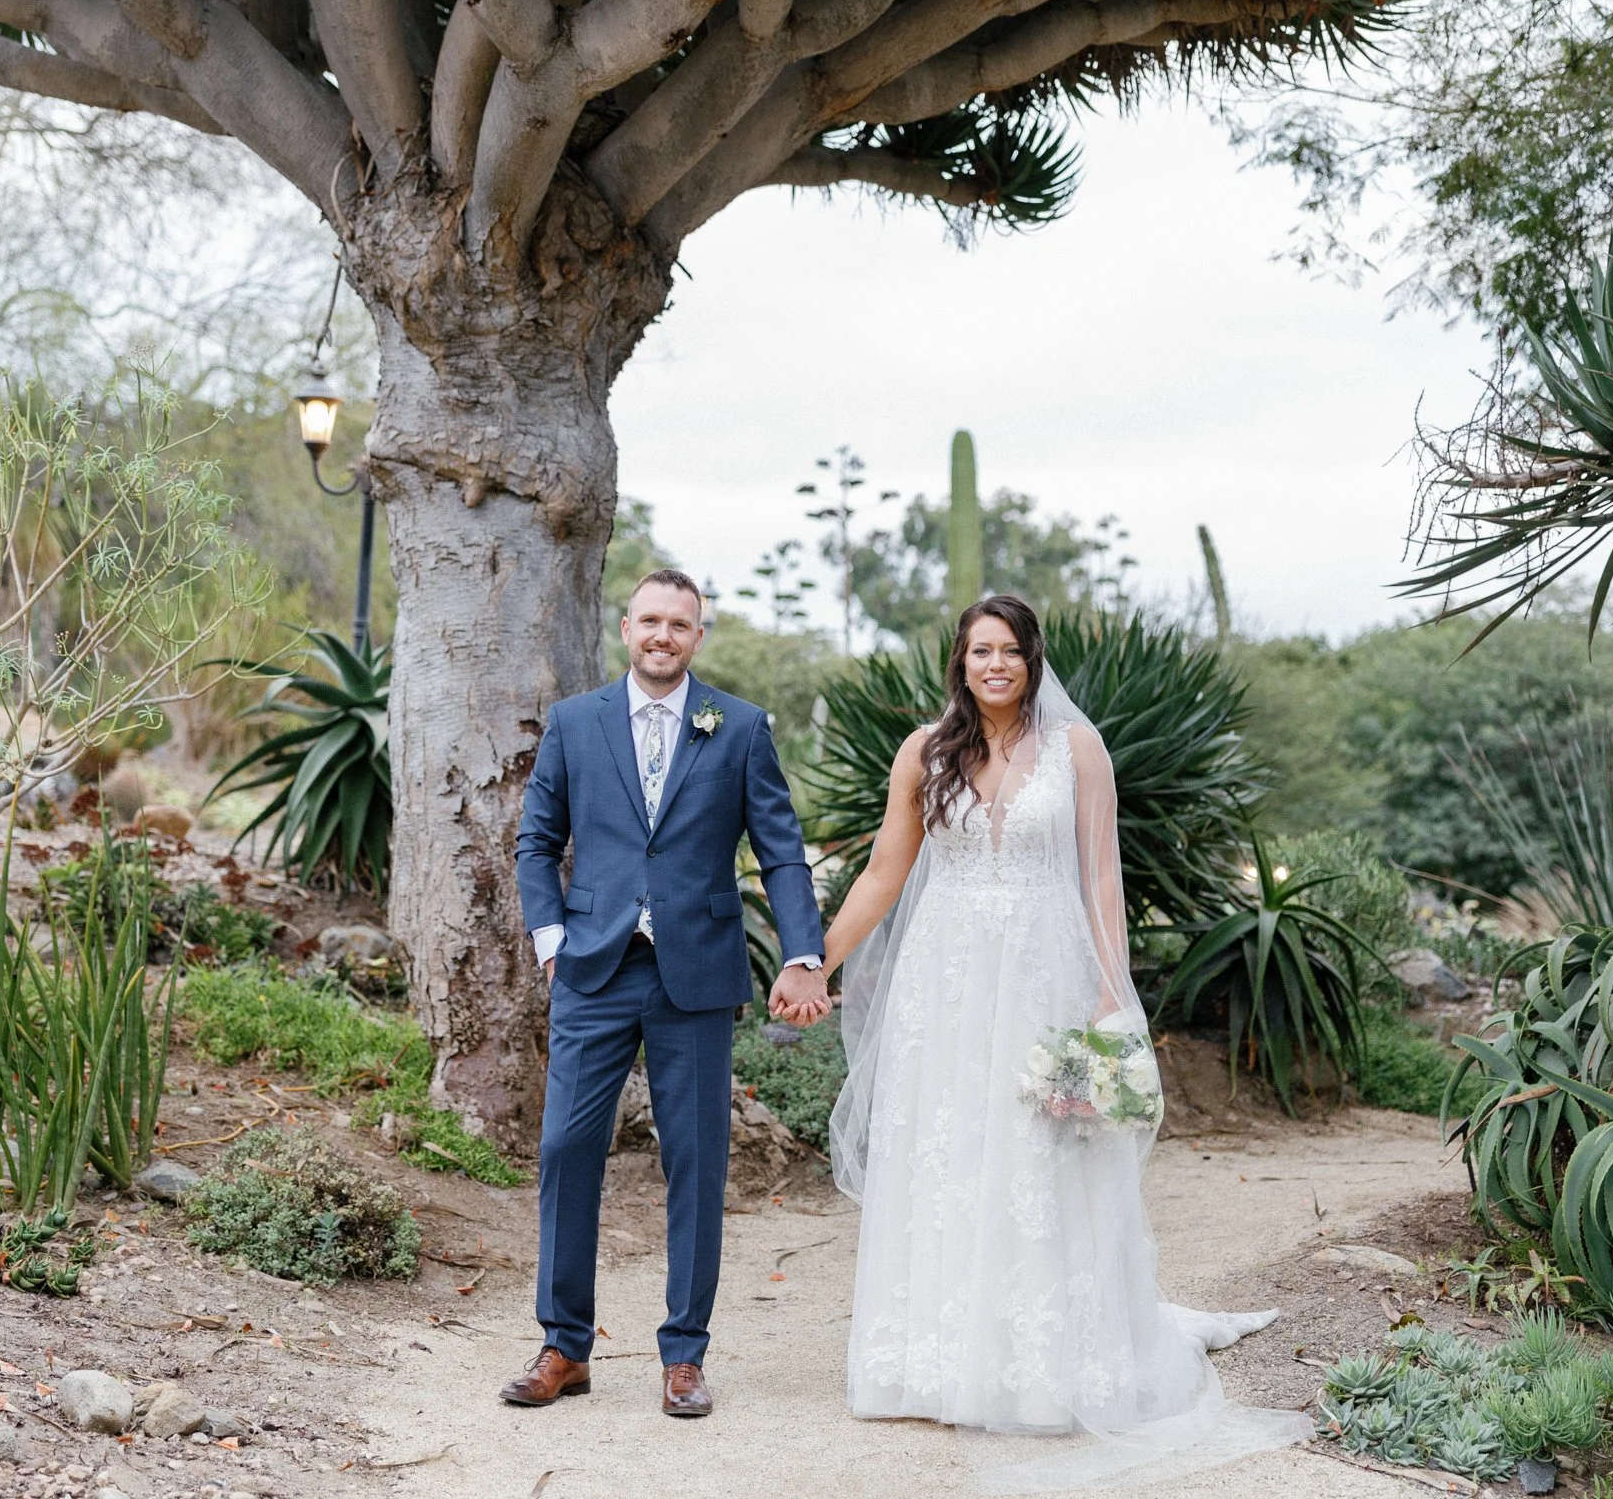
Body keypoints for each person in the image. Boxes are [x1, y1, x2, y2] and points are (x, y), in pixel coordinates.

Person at [818, 594, 1312, 1491]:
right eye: (979, 651)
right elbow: (886, 869)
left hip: (1046, 984)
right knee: (947, 1159)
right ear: (959, 664)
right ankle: (931, 1363)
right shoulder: (923, 753)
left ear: (1032, 659)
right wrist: (816, 961)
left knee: (1039, 1164)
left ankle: (1042, 1372)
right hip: (950, 990)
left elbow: (1101, 888)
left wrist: (1109, 1005)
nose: (995, 665)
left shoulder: (1079, 751)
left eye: (1009, 650)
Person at [506, 568, 828, 1418]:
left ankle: (683, 1356)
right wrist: (550, 942)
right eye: (650, 620)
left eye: (679, 625)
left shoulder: (741, 727)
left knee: (695, 1163)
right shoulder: (575, 724)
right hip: (592, 968)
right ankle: (564, 1347)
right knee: (567, 1152)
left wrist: (804, 954)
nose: (663, 636)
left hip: (697, 972)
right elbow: (537, 843)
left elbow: (783, 853)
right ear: (625, 627)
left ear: (698, 635)